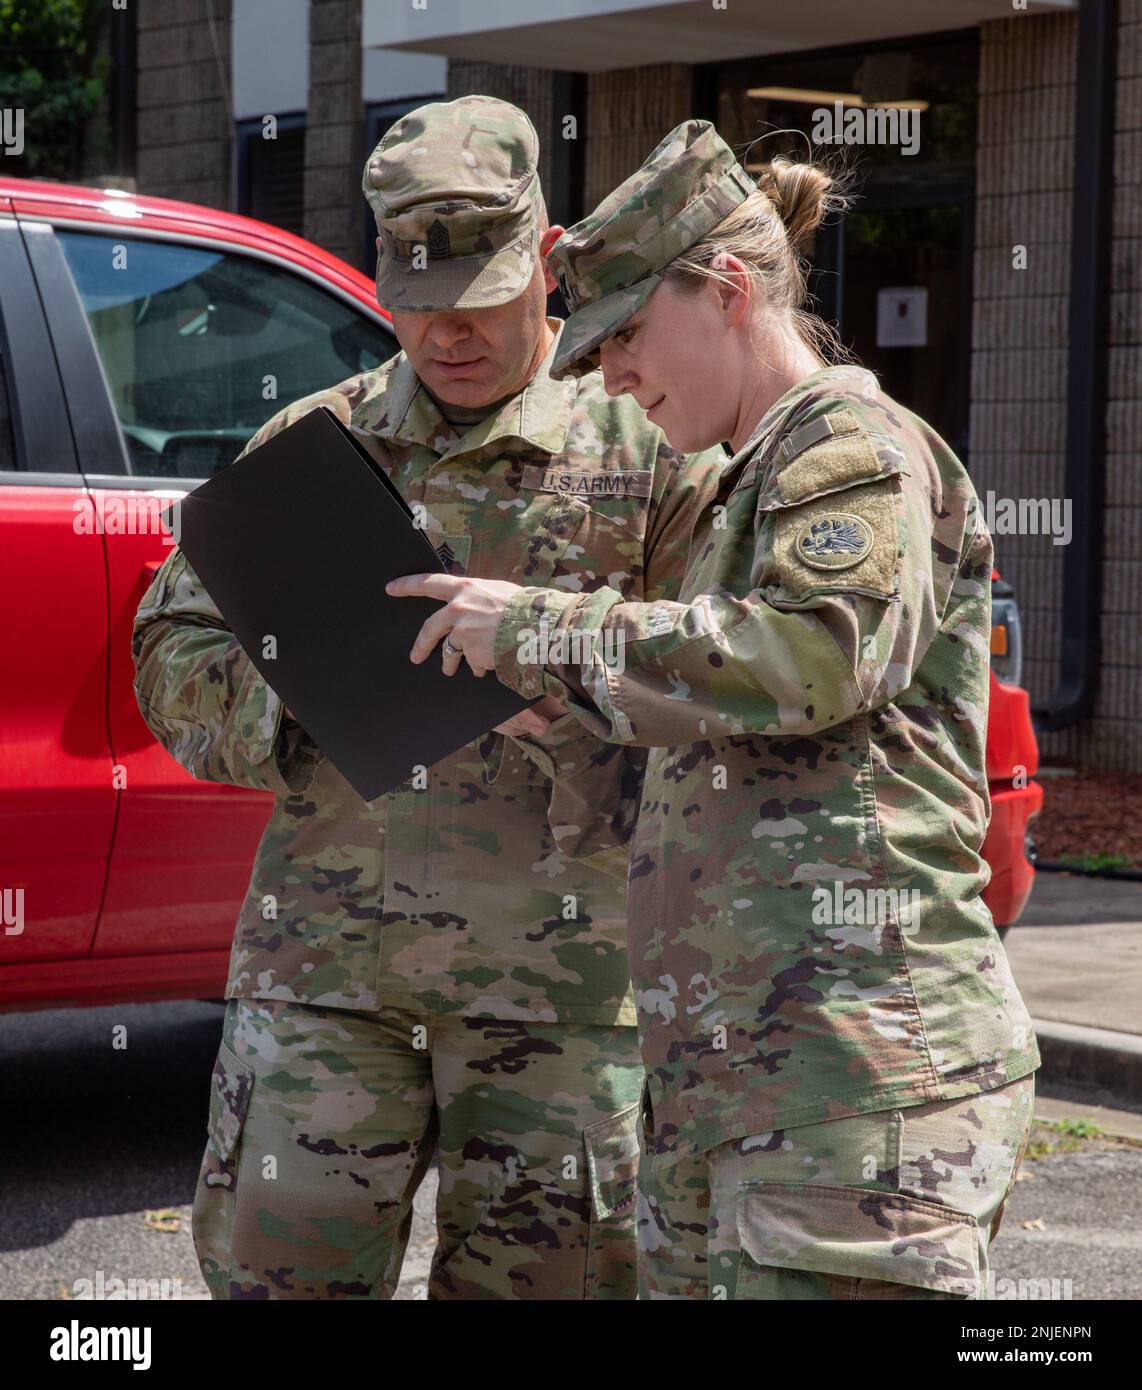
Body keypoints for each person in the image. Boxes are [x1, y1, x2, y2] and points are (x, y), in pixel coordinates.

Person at [387, 119, 1042, 1300]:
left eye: (629, 335)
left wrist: (542, 626)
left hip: (852, 1087)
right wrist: (575, 726)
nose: (615, 377)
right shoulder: (751, 480)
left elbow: (808, 653)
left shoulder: (849, 445)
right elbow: (759, 760)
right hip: (740, 1090)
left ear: (728, 290)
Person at [132, 97, 725, 1300]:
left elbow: (730, 685)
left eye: (479, 301)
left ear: (544, 268)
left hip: (567, 995)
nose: (445, 334)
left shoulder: (648, 447)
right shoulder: (316, 444)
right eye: (415, 302)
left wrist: (564, 677)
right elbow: (167, 657)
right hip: (328, 981)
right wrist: (313, 692)